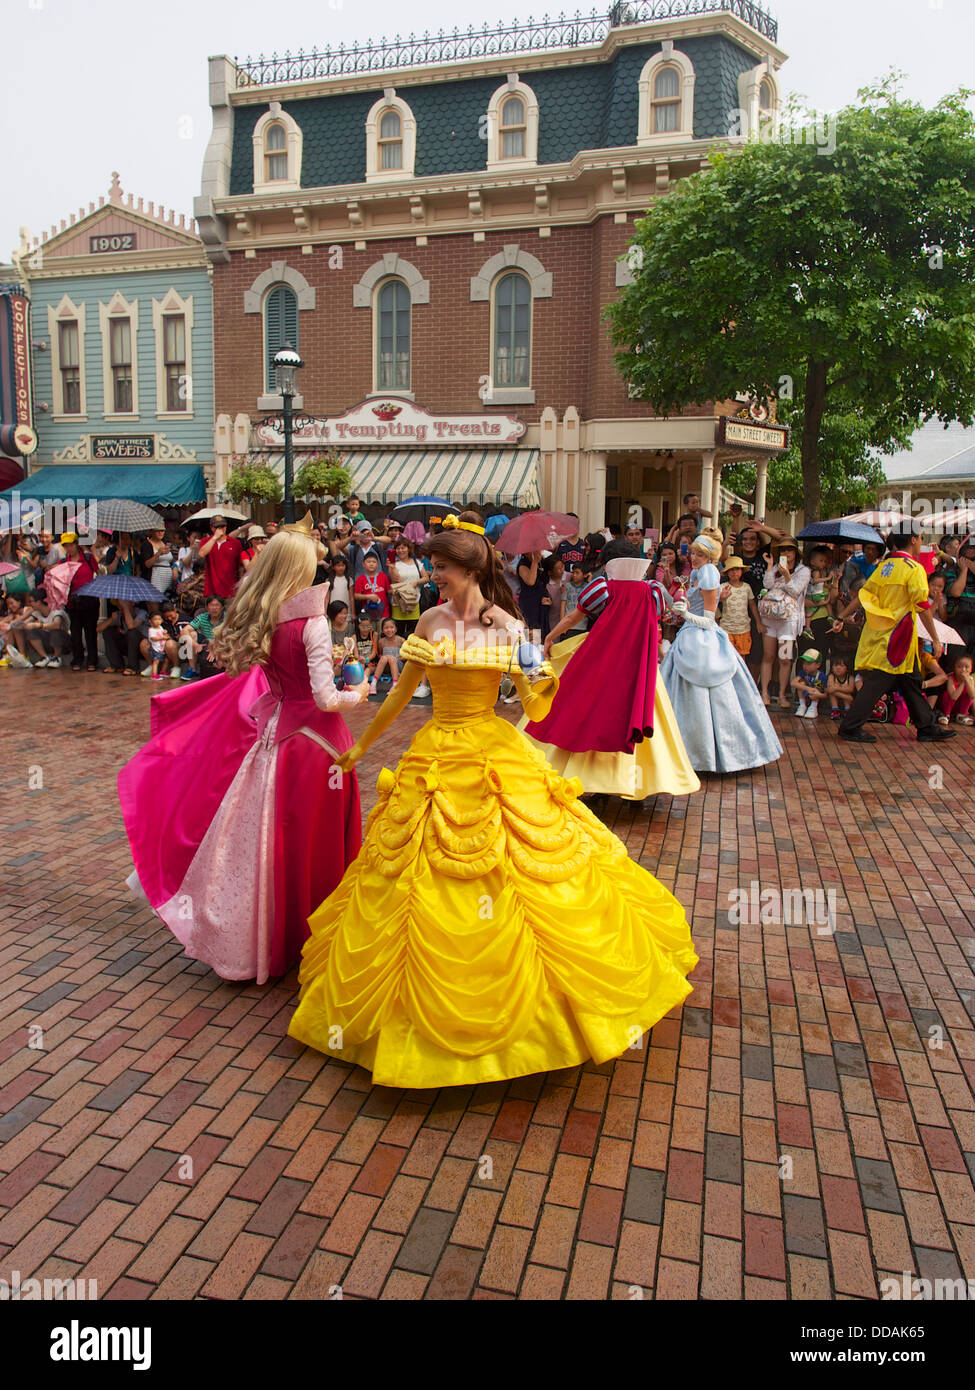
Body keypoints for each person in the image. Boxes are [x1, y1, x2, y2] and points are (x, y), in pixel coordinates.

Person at [287, 510, 698, 1088]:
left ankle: (548, 1021)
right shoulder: (428, 621)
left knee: (524, 863)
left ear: (471, 567)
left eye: (443, 569)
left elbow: (534, 711)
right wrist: (360, 749)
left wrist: (542, 677)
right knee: (414, 870)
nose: (435, 578)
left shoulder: (507, 625)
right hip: (435, 758)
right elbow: (401, 696)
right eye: (434, 567)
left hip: (491, 751)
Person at [118, 513, 368, 985]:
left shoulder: (264, 614)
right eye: (314, 561)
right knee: (307, 843)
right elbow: (325, 699)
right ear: (301, 569)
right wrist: (360, 693)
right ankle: (309, 934)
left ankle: (257, 936)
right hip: (316, 746)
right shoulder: (311, 623)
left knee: (262, 842)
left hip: (274, 738)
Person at [525, 545, 700, 804]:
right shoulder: (652, 590)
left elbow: (575, 616)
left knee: (590, 713)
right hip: (641, 668)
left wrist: (551, 636)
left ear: (608, 563)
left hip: (604, 663)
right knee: (643, 716)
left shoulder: (604, 588)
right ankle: (641, 783)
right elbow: (662, 615)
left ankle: (595, 782)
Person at [659, 534, 783, 773]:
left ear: (711, 558)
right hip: (690, 637)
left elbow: (707, 620)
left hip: (703, 639)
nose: (694, 558)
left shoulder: (708, 574)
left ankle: (709, 754)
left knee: (712, 695)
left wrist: (684, 613)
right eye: (693, 553)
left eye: (701, 554)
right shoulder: (696, 574)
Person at [833, 523, 955, 744]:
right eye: (920, 538)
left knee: (911, 681)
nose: (921, 542)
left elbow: (862, 596)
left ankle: (926, 727)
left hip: (883, 636)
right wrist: (935, 638)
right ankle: (850, 727)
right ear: (913, 540)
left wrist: (841, 617)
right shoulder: (913, 568)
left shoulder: (884, 567)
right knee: (878, 683)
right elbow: (922, 607)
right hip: (899, 638)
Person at [758, 536, 810, 708]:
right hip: (770, 618)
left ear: (796, 552)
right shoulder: (775, 568)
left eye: (789, 549)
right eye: (783, 550)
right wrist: (770, 567)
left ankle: (782, 694)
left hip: (789, 620)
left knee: (785, 658)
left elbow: (795, 591)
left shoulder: (804, 571)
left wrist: (788, 575)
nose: (786, 553)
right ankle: (764, 692)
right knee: (768, 656)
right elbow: (767, 585)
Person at [62, 533, 100, 671]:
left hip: (90, 599)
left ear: (76, 544)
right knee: (75, 632)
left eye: (71, 545)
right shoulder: (63, 562)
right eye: (66, 546)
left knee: (90, 632)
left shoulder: (88, 558)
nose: (69, 548)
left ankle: (92, 661)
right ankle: (77, 659)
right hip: (73, 601)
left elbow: (98, 572)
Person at [718, 556, 764, 657]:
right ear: (727, 572)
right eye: (731, 570)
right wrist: (721, 597)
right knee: (727, 656)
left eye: (737, 569)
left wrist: (758, 622)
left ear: (742, 571)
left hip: (743, 628)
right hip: (726, 628)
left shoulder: (746, 587)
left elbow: (752, 605)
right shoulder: (723, 587)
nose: (735, 572)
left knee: (742, 657)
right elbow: (715, 604)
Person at [197, 515, 243, 599]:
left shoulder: (235, 543)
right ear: (212, 528)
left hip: (230, 591)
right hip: (211, 591)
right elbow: (201, 553)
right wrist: (214, 538)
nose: (220, 529)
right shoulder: (206, 541)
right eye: (217, 527)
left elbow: (240, 567)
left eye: (223, 526)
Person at [182, 596, 226, 680]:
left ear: (222, 607)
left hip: (222, 644)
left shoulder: (227, 617)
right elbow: (184, 631)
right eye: (211, 605)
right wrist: (195, 645)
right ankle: (192, 669)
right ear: (207, 607)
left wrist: (216, 646)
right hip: (205, 643)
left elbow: (232, 634)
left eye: (217, 605)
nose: (214, 608)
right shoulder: (202, 617)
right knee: (191, 634)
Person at [388, 538, 423, 635]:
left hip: (413, 601)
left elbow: (426, 578)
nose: (400, 551)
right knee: (398, 631)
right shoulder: (395, 564)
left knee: (413, 632)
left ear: (408, 549)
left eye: (403, 548)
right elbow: (394, 580)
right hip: (399, 602)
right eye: (398, 548)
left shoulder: (417, 563)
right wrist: (392, 567)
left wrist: (415, 582)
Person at [946, 539, 975, 651]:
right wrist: (964, 571)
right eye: (966, 559)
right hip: (958, 621)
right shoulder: (952, 571)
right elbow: (956, 592)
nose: (970, 562)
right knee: (957, 656)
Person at [515, 551, 549, 639]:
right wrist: (534, 562)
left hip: (542, 602)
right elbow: (530, 581)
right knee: (532, 633)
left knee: (543, 632)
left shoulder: (542, 562)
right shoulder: (523, 565)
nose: (538, 552)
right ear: (526, 553)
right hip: (530, 604)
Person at [937, 653, 974, 727]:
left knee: (969, 693)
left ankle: (961, 716)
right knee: (947, 694)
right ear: (954, 668)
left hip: (960, 706)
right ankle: (946, 715)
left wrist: (967, 681)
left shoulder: (970, 679)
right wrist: (963, 683)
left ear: (971, 669)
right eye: (959, 667)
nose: (963, 669)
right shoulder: (951, 678)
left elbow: (972, 696)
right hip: (949, 705)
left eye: (967, 667)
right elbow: (953, 697)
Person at [354, 550, 391, 622]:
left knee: (382, 631)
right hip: (368, 614)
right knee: (370, 632)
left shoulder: (383, 576)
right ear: (363, 564)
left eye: (374, 562)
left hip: (384, 613)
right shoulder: (360, 579)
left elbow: (389, 591)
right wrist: (368, 596)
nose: (371, 564)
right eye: (368, 562)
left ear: (377, 564)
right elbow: (356, 595)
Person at [792, 648, 828, 719]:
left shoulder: (821, 675)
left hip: (816, 696)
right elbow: (793, 683)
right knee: (801, 683)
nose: (805, 666)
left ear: (818, 665)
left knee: (817, 686)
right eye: (804, 663)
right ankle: (802, 705)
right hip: (806, 693)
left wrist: (817, 694)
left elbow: (826, 694)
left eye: (808, 663)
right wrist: (808, 689)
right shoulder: (803, 672)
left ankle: (813, 707)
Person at [372, 616, 403, 692]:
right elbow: (380, 654)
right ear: (382, 630)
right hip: (386, 666)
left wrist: (393, 659)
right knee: (384, 657)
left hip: (397, 664)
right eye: (386, 628)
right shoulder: (381, 642)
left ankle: (395, 684)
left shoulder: (401, 640)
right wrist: (387, 658)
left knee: (391, 658)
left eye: (392, 627)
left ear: (396, 629)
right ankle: (373, 684)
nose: (389, 630)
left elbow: (405, 656)